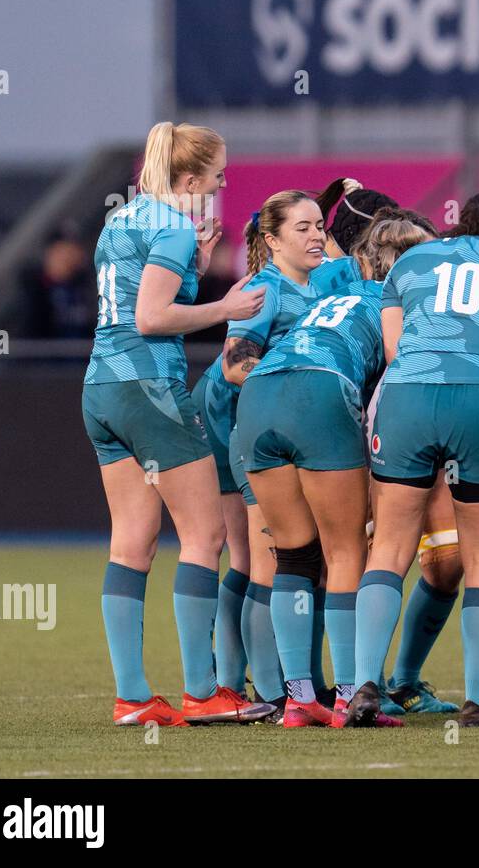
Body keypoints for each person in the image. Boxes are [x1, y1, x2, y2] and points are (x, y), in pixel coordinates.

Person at [83, 121, 272, 726]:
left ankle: (133, 697)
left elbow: (134, 301)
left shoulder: (124, 219)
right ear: (189, 178)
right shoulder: (168, 225)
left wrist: (196, 268)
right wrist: (225, 307)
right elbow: (150, 317)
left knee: (132, 543)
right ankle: (202, 690)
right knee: (205, 537)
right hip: (151, 390)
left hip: (102, 388)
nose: (221, 185)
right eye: (216, 176)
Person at [345, 191, 479, 728]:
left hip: (408, 395)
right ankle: (477, 703)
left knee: (388, 548)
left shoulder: (413, 260)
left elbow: (393, 353)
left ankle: (365, 686)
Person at [193, 183, 349, 717]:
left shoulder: (322, 287)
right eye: (301, 228)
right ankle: (266, 689)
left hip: (281, 428)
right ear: (272, 239)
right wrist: (294, 386)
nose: (315, 237)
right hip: (242, 427)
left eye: (319, 227)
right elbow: (237, 365)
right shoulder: (262, 289)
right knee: (265, 558)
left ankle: (304, 683)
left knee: (310, 558)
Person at [236, 257, 403, 727]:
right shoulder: (397, 299)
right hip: (319, 391)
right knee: (346, 551)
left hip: (259, 392)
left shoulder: (327, 298)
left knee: (293, 556)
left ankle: (299, 699)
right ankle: (351, 698)